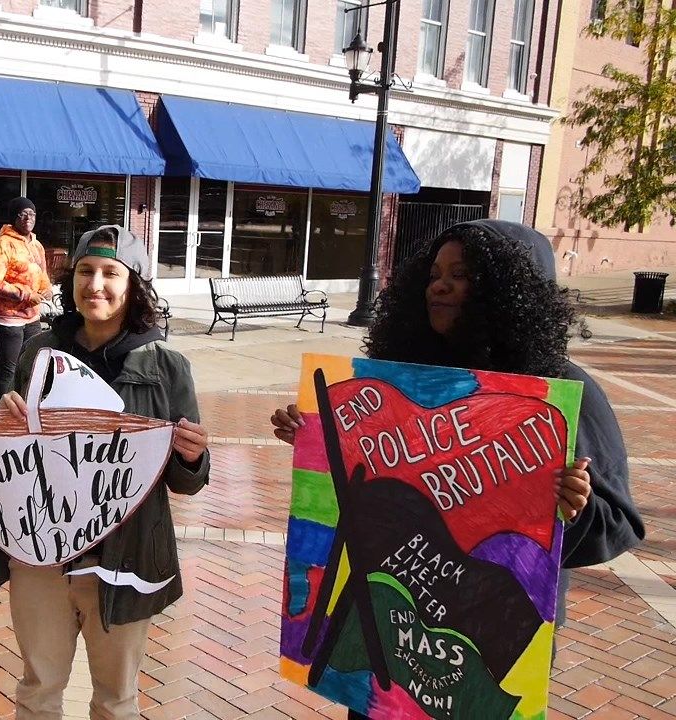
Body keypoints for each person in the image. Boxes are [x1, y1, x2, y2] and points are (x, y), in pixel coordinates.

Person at [269, 220, 644, 719]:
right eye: (434, 274)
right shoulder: (407, 375)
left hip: (486, 642)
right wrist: (317, 437)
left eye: (461, 275)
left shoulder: (559, 390)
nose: (440, 285)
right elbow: (365, 481)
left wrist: (572, 509)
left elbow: (618, 525)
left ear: (512, 291)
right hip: (389, 621)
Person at [0, 225, 211, 719]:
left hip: (123, 557)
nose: (95, 284)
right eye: (85, 271)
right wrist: (4, 419)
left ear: (134, 284)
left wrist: (191, 457)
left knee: (115, 698)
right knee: (39, 689)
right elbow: (13, 452)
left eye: (109, 273)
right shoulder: (39, 352)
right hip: (40, 552)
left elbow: (185, 482)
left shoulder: (167, 366)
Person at [0, 196, 52, 407]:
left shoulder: (37, 245)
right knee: (8, 371)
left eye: (31, 214)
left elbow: (41, 273)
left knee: (31, 367)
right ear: (14, 218)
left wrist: (46, 288)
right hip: (8, 320)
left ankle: (21, 413)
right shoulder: (2, 244)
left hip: (32, 317)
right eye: (22, 214)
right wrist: (24, 294)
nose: (27, 218)